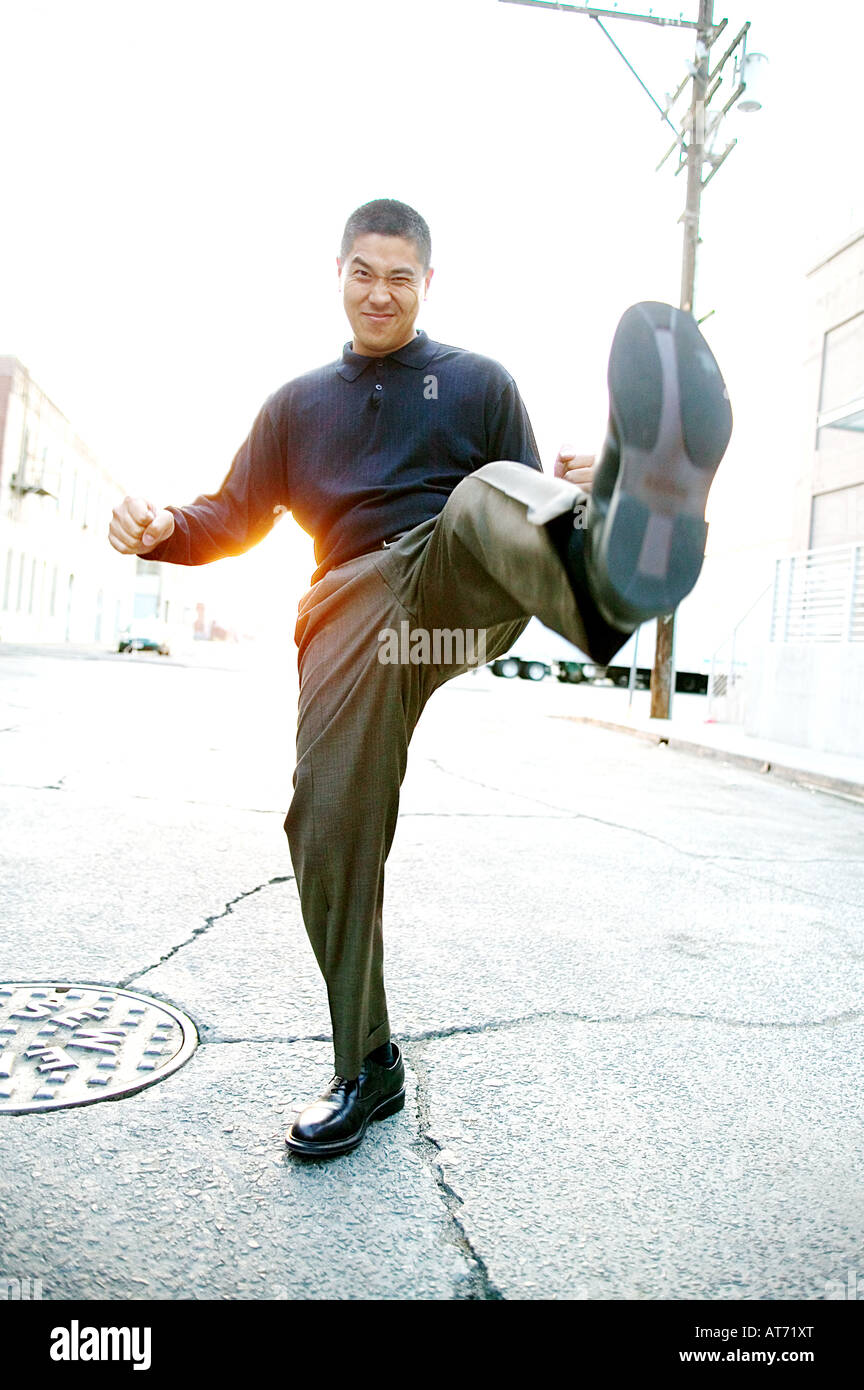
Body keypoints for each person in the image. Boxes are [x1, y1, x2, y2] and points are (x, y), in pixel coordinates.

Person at [108, 198, 732, 1159]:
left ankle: (614, 559)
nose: (381, 293)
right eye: (365, 272)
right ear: (341, 273)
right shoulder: (294, 404)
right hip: (354, 623)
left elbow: (519, 502)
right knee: (324, 823)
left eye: (401, 276)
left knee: (486, 494)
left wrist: (582, 492)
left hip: (450, 592)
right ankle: (368, 1061)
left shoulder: (479, 381)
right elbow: (230, 516)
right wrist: (160, 531)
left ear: (426, 284)